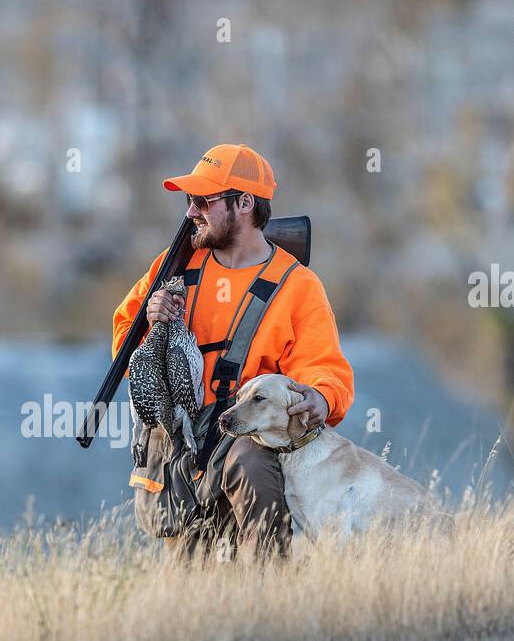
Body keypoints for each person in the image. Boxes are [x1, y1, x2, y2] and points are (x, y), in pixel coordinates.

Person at [112, 143, 354, 552]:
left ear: (244, 203)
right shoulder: (174, 266)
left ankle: (268, 592)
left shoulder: (297, 286)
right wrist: (150, 324)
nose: (191, 212)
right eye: (190, 201)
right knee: (189, 597)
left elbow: (322, 367)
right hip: (182, 448)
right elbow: (125, 349)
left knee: (251, 461)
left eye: (202, 201)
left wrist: (321, 396)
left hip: (244, 442)